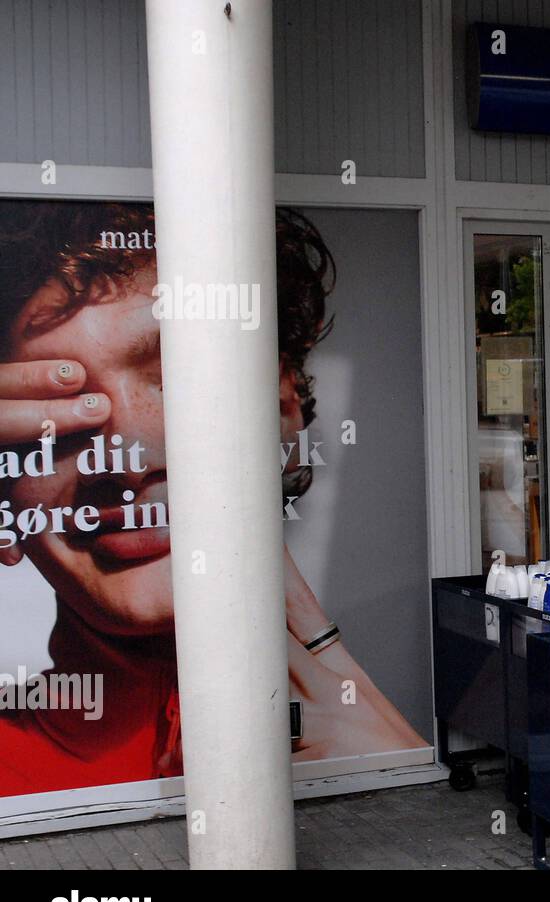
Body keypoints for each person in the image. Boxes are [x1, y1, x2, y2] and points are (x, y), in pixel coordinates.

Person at [0, 201, 426, 797]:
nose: (125, 456)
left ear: (283, 403)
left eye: (185, 372)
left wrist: (397, 804)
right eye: (52, 414)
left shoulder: (368, 742)